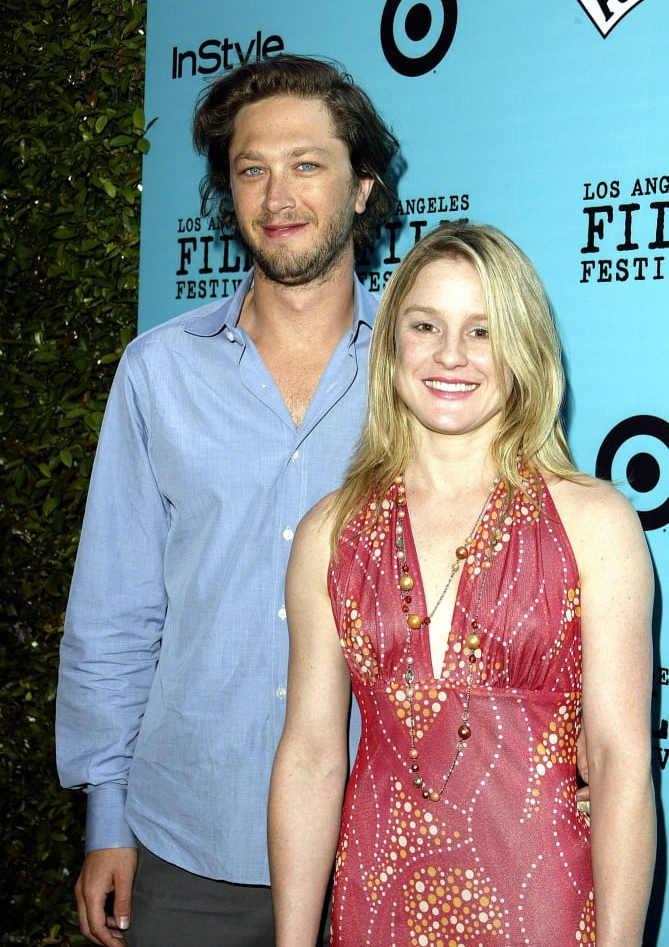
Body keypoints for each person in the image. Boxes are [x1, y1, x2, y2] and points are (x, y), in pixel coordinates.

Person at [56, 54, 400, 947]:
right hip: (188, 842)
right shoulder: (158, 372)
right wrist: (106, 816)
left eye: (306, 164)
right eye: (252, 169)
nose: (277, 195)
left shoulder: (423, 372)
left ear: (362, 187)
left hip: (379, 843)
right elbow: (114, 610)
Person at [268, 220, 656, 946]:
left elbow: (619, 764)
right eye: (425, 326)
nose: (451, 354)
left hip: (543, 908)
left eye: (482, 331)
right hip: (376, 903)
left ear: (523, 350)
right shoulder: (330, 533)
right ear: (391, 346)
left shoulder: (595, 523)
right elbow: (312, 756)